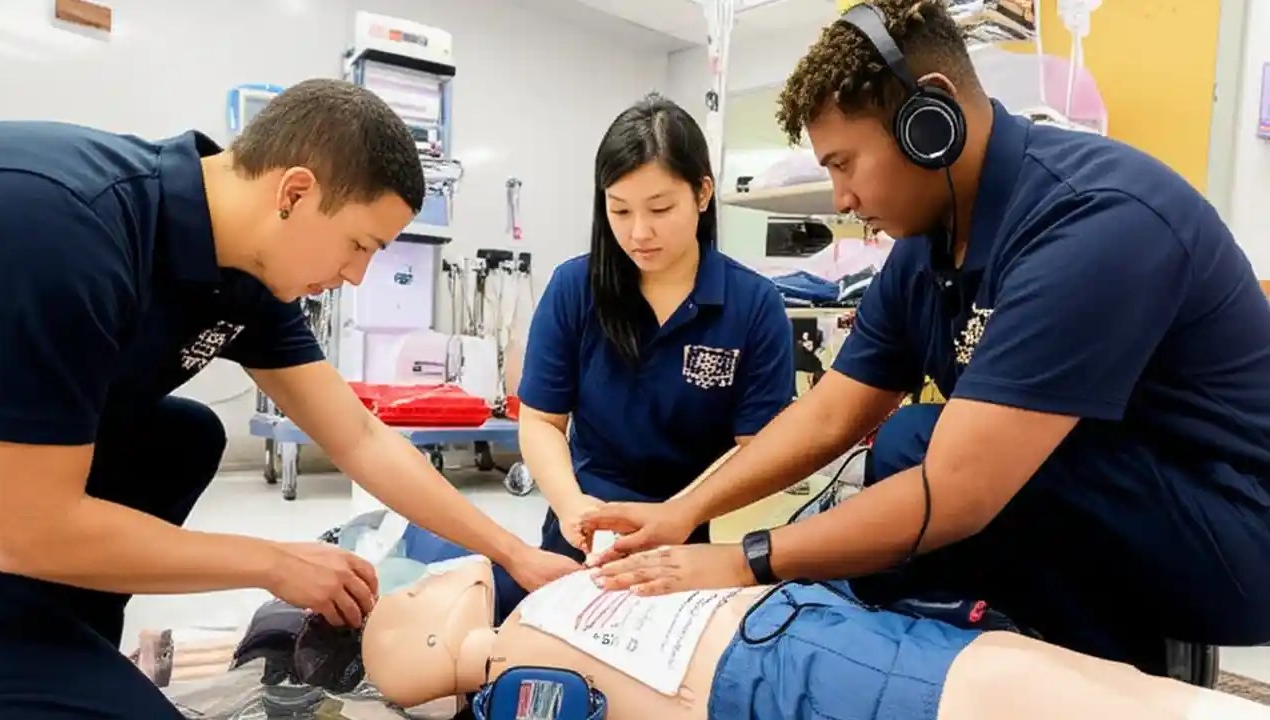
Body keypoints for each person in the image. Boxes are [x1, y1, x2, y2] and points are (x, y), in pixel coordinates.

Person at [581, 0, 1270, 677]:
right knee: (909, 446)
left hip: (1238, 534)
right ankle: (1028, 648)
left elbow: (960, 490)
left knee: (942, 459)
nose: (841, 197)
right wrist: (684, 513)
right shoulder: (925, 246)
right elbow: (832, 412)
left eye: (845, 163)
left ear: (928, 121)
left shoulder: (1096, 224)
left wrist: (743, 561)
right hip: (1126, 498)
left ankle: (1128, 669)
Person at [0, 78, 580, 719]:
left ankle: (60, 636)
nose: (357, 275)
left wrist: (513, 552)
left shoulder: (244, 273)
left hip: (15, 510)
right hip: (15, 525)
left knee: (181, 436)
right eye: (360, 246)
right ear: (294, 192)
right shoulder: (69, 232)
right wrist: (272, 563)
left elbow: (359, 437)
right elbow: (26, 530)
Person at [401, 93, 795, 620]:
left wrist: (682, 514)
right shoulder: (574, 288)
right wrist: (570, 506)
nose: (638, 232)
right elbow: (541, 420)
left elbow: (759, 449)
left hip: (695, 532)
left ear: (703, 194)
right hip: (585, 525)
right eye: (619, 209)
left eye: (660, 209)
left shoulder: (754, 305)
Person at [329, 557, 1264, 720]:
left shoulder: (522, 629)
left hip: (783, 646)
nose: (436, 582)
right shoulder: (507, 663)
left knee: (1045, 685)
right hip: (780, 662)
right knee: (1043, 688)